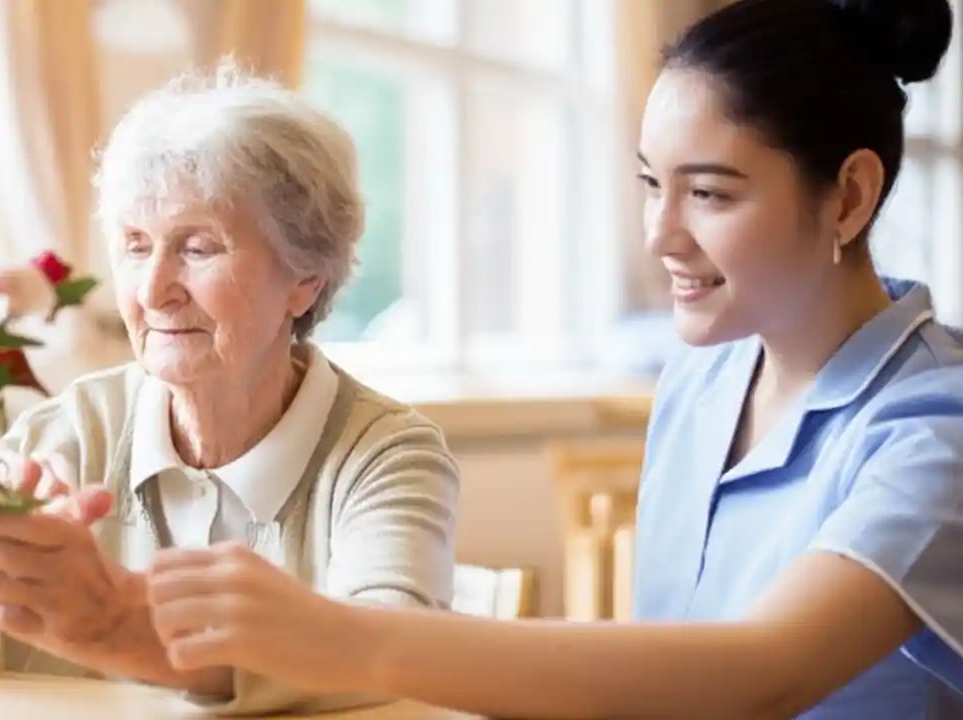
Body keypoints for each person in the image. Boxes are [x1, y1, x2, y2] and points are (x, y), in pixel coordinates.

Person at [142, 1, 963, 717]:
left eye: (709, 193)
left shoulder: (934, 429)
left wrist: (338, 636)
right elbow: (655, 672)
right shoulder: (706, 378)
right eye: (652, 185)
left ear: (849, 196)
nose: (659, 235)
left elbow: (756, 677)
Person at [0, 64, 460, 715]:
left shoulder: (387, 458)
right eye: (134, 246)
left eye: (199, 248)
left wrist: (112, 624)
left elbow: (395, 662)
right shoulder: (64, 433)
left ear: (307, 279)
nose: (153, 291)